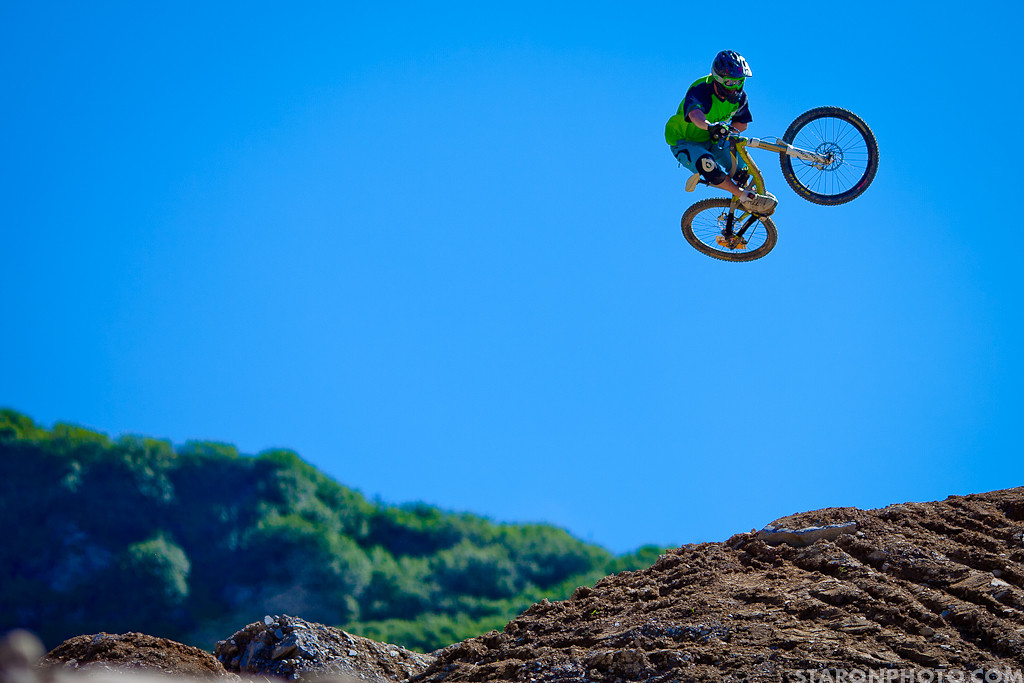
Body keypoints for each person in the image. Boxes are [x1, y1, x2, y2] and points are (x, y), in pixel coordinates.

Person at [665, 50, 777, 215]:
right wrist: (710, 126)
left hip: (714, 138)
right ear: (718, 79)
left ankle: (753, 199)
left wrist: (730, 133)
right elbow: (695, 115)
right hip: (685, 140)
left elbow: (742, 123)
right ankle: (742, 196)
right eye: (731, 82)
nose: (736, 87)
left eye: (740, 81)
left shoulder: (740, 97)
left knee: (743, 170)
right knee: (708, 166)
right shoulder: (701, 88)